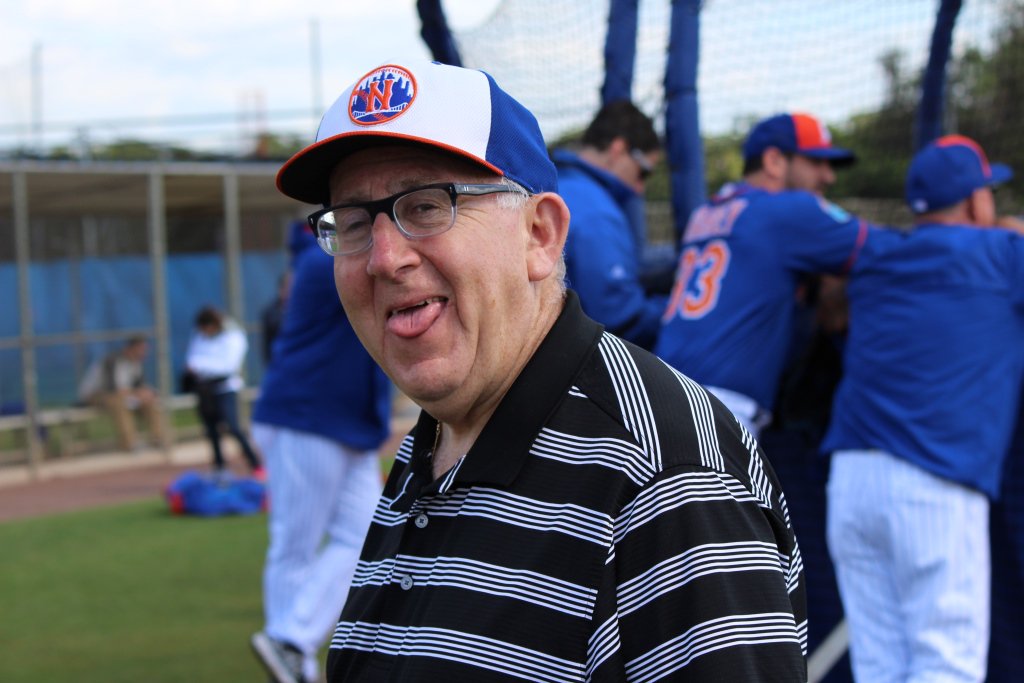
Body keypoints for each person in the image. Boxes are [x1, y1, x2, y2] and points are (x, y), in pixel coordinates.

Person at [275, 59, 807, 681]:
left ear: (540, 235)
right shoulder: (440, 437)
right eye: (356, 223)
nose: (384, 259)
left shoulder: (667, 474)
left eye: (425, 206)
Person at [821, 135, 1024, 683]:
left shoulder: (878, 254)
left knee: (881, 668)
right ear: (977, 201)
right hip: (934, 486)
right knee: (946, 666)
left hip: (853, 483)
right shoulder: (1006, 255)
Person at [654, 112, 870, 437]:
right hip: (716, 409)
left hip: (655, 390)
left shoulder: (707, 210)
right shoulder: (787, 211)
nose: (829, 177)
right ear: (774, 161)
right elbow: (892, 250)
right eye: (816, 162)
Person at [249, 223, 392, 683]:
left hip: (342, 422)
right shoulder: (321, 260)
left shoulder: (322, 258)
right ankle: (290, 646)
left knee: (366, 538)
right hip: (306, 416)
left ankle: (291, 640)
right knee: (296, 544)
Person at [554, 100, 667, 349]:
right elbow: (620, 318)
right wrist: (679, 309)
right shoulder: (597, 212)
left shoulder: (553, 182)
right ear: (618, 150)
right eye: (643, 172)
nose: (641, 187)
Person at [183, 305, 263, 477]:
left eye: (206, 328)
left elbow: (227, 366)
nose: (203, 332)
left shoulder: (233, 336)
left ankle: (255, 464)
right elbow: (191, 359)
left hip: (226, 388)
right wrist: (201, 366)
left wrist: (201, 365)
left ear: (213, 325)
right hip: (205, 389)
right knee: (211, 430)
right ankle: (220, 468)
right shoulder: (200, 336)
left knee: (233, 427)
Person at [77, 335, 165, 451]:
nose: (144, 353)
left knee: (150, 402)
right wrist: (137, 393)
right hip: (94, 395)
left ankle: (159, 439)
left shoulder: (136, 363)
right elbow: (112, 389)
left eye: (146, 349)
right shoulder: (112, 361)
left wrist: (147, 394)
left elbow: (139, 386)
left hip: (123, 396)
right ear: (131, 348)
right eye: (142, 349)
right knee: (118, 402)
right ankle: (131, 444)